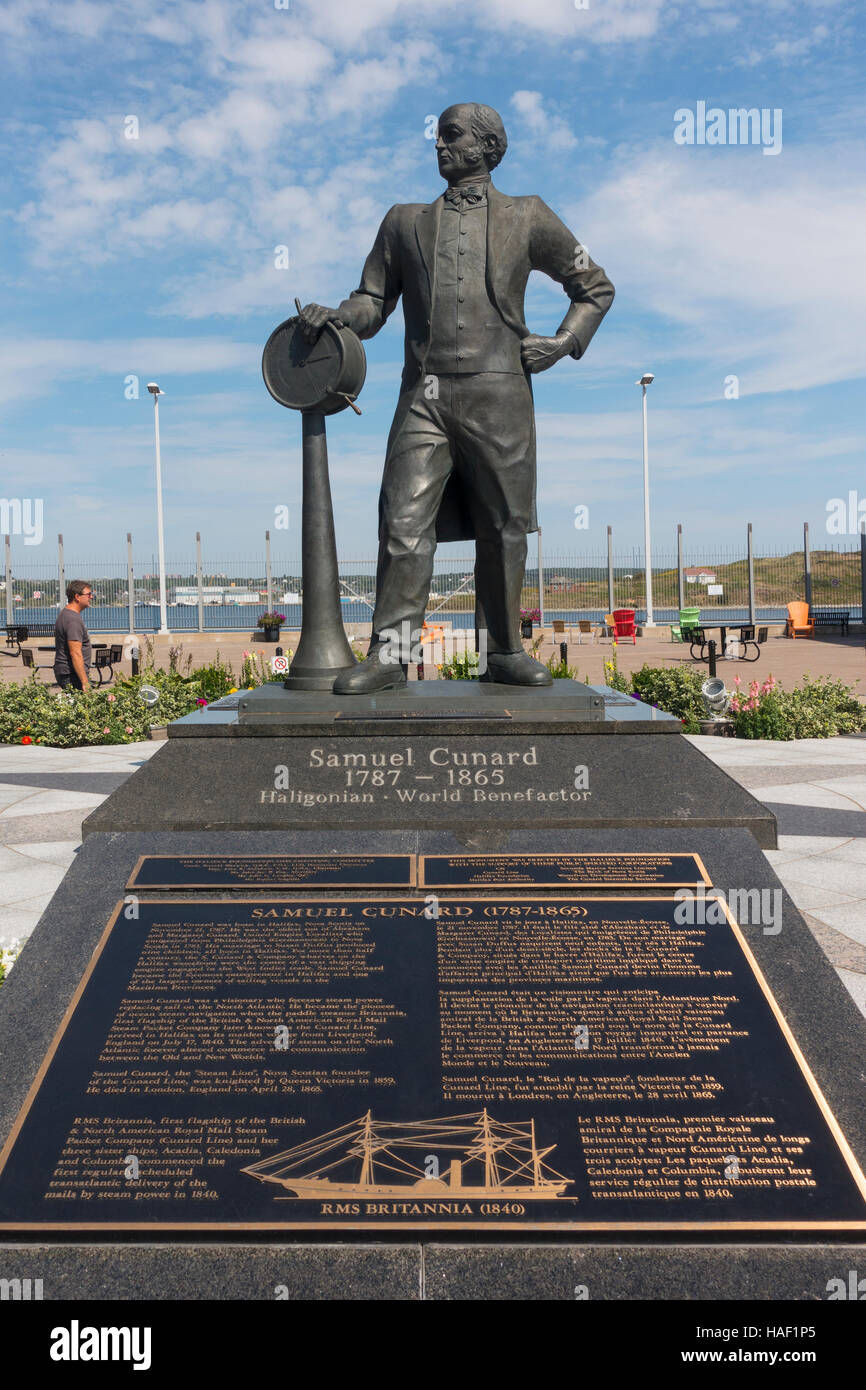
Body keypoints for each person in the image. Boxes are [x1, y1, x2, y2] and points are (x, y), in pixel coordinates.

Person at [294, 101, 614, 693]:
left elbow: (594, 287)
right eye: (438, 136)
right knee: (403, 521)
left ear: (488, 147)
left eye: (451, 136)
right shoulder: (403, 222)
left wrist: (563, 342)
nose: (438, 145)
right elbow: (372, 301)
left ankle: (504, 653)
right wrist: (337, 318)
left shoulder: (529, 215)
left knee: (505, 526)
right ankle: (390, 656)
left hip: (501, 393)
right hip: (424, 394)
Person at [54, 580, 93, 691]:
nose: (91, 597)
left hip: (68, 673)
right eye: (88, 594)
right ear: (77, 597)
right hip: (72, 675)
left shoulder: (66, 614)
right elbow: (75, 653)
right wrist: (85, 682)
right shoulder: (73, 620)